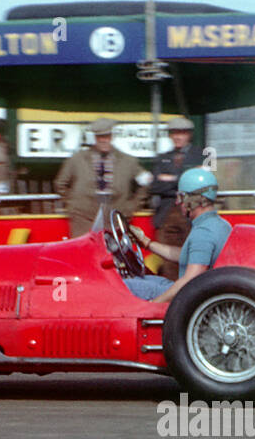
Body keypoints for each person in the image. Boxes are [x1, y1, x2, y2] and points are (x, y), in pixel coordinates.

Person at [124, 167, 230, 304]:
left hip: (189, 297)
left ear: (195, 200)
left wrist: (153, 305)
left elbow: (190, 280)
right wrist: (147, 243)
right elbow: (187, 256)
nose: (178, 202)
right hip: (196, 291)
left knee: (126, 285)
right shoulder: (219, 224)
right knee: (141, 280)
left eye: (181, 197)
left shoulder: (204, 233)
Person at [54, 118, 149, 238]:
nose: (104, 140)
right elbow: (61, 183)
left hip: (115, 218)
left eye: (107, 136)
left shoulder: (128, 161)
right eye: (100, 137)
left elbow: (146, 182)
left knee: (113, 254)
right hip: (83, 218)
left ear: (112, 136)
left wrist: (131, 206)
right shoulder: (77, 159)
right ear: (94, 138)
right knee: (84, 253)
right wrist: (73, 205)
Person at [148, 116, 197, 279]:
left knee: (193, 260)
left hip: (192, 216)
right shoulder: (162, 158)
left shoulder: (201, 154)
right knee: (168, 261)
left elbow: (201, 184)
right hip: (166, 217)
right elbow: (155, 186)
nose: (177, 137)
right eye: (174, 133)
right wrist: (184, 179)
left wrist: (171, 178)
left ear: (189, 135)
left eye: (182, 133)